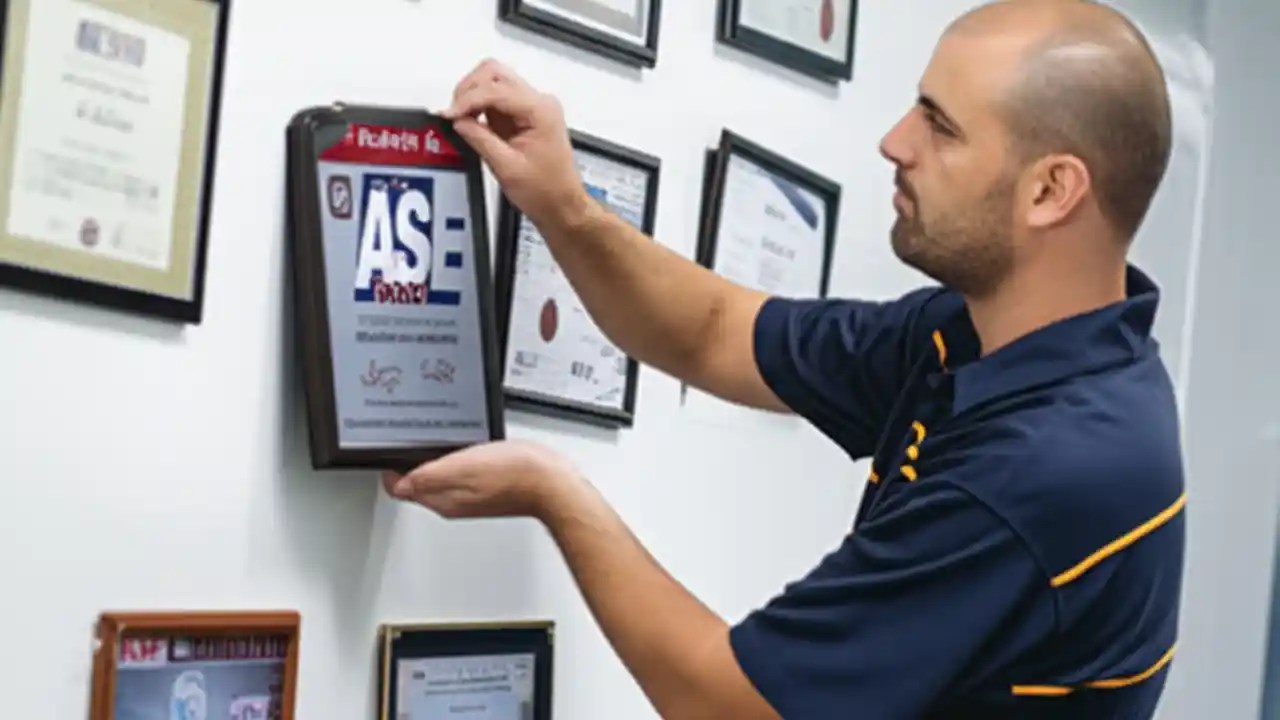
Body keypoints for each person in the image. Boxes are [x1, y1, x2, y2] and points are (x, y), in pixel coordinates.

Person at [383, 0, 1186, 717]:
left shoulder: (1045, 473)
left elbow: (725, 703)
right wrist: (564, 207)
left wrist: (554, 493)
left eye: (939, 125)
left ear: (1052, 191)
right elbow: (717, 332)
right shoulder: (991, 336)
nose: (894, 141)